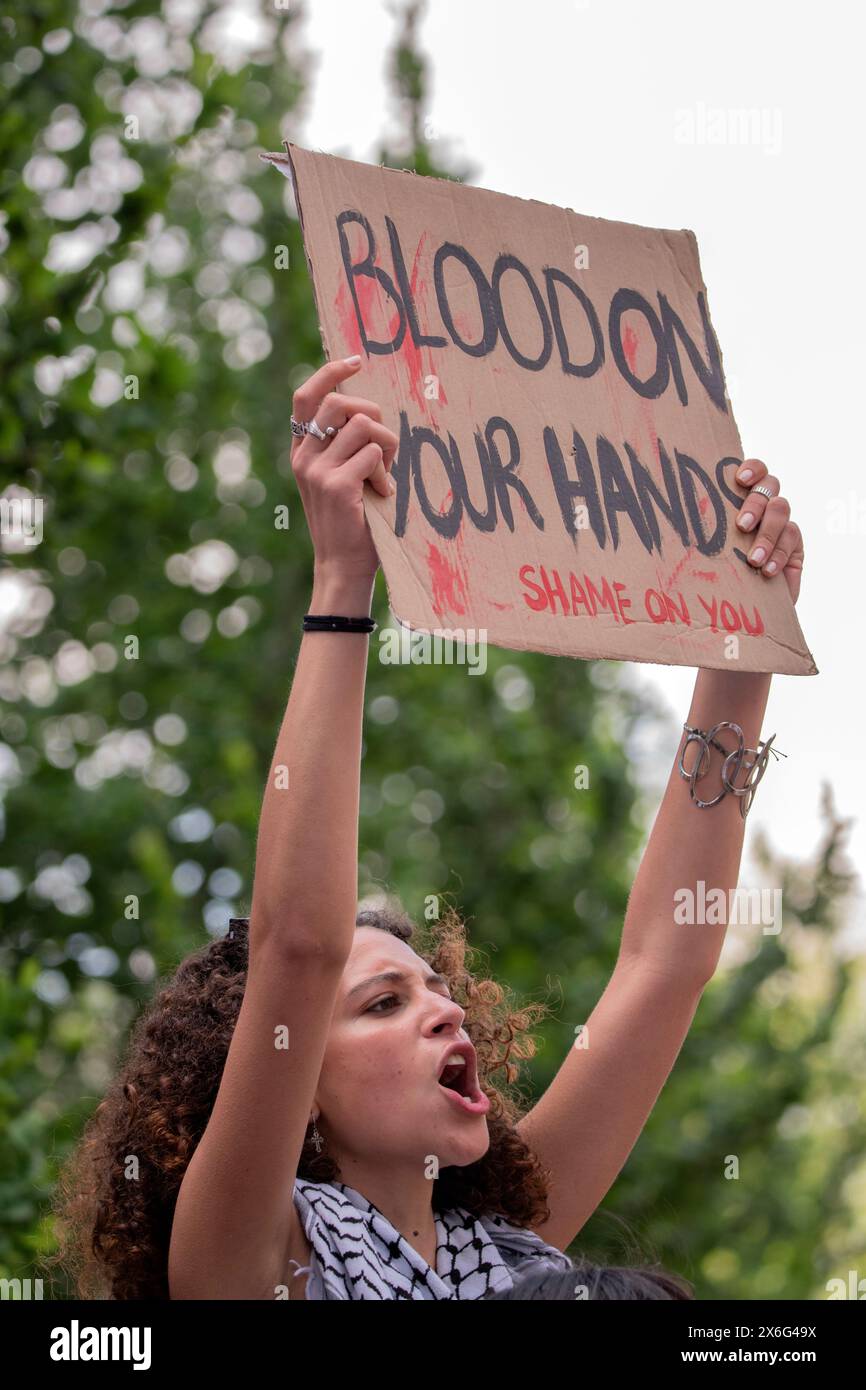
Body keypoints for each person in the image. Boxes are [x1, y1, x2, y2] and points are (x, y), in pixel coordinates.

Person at [48, 357, 803, 1300]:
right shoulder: (250, 1266)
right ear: (296, 1095)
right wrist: (343, 574)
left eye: (434, 990)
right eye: (382, 1005)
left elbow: (665, 964)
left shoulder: (504, 1245)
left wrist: (741, 642)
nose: (447, 1011)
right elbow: (301, 945)